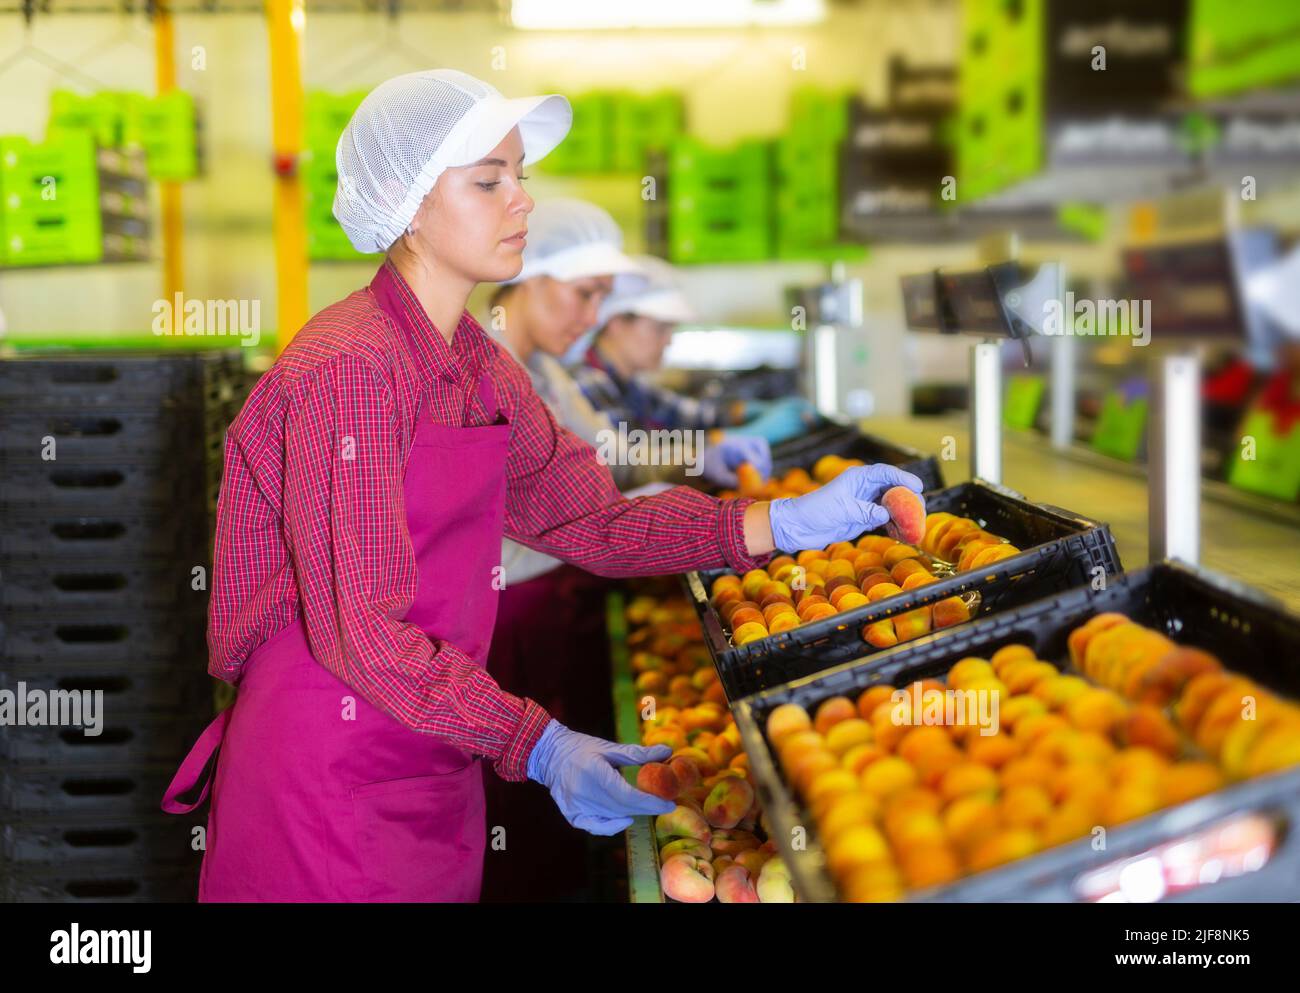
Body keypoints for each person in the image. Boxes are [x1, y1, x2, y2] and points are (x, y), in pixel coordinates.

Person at [160, 67, 923, 903]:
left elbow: (593, 523)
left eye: (519, 177)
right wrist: (540, 742)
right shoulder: (349, 369)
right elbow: (362, 635)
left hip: (431, 747)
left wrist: (775, 523)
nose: (521, 201)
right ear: (410, 206)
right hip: (326, 768)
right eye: (489, 180)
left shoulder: (478, 366)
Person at [481, 200, 770, 899]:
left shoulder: (545, 370)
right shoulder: (485, 369)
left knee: (554, 803)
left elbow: (605, 461)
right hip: (504, 612)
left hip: (558, 591)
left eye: (605, 298)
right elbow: (558, 507)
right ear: (529, 275)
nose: (591, 316)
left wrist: (695, 461)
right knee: (511, 800)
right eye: (585, 293)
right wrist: (720, 516)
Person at [574, 253, 818, 446]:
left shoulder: (632, 387)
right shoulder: (587, 383)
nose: (668, 341)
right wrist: (732, 439)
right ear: (616, 323)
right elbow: (637, 454)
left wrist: (748, 413)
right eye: (660, 328)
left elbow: (690, 414)